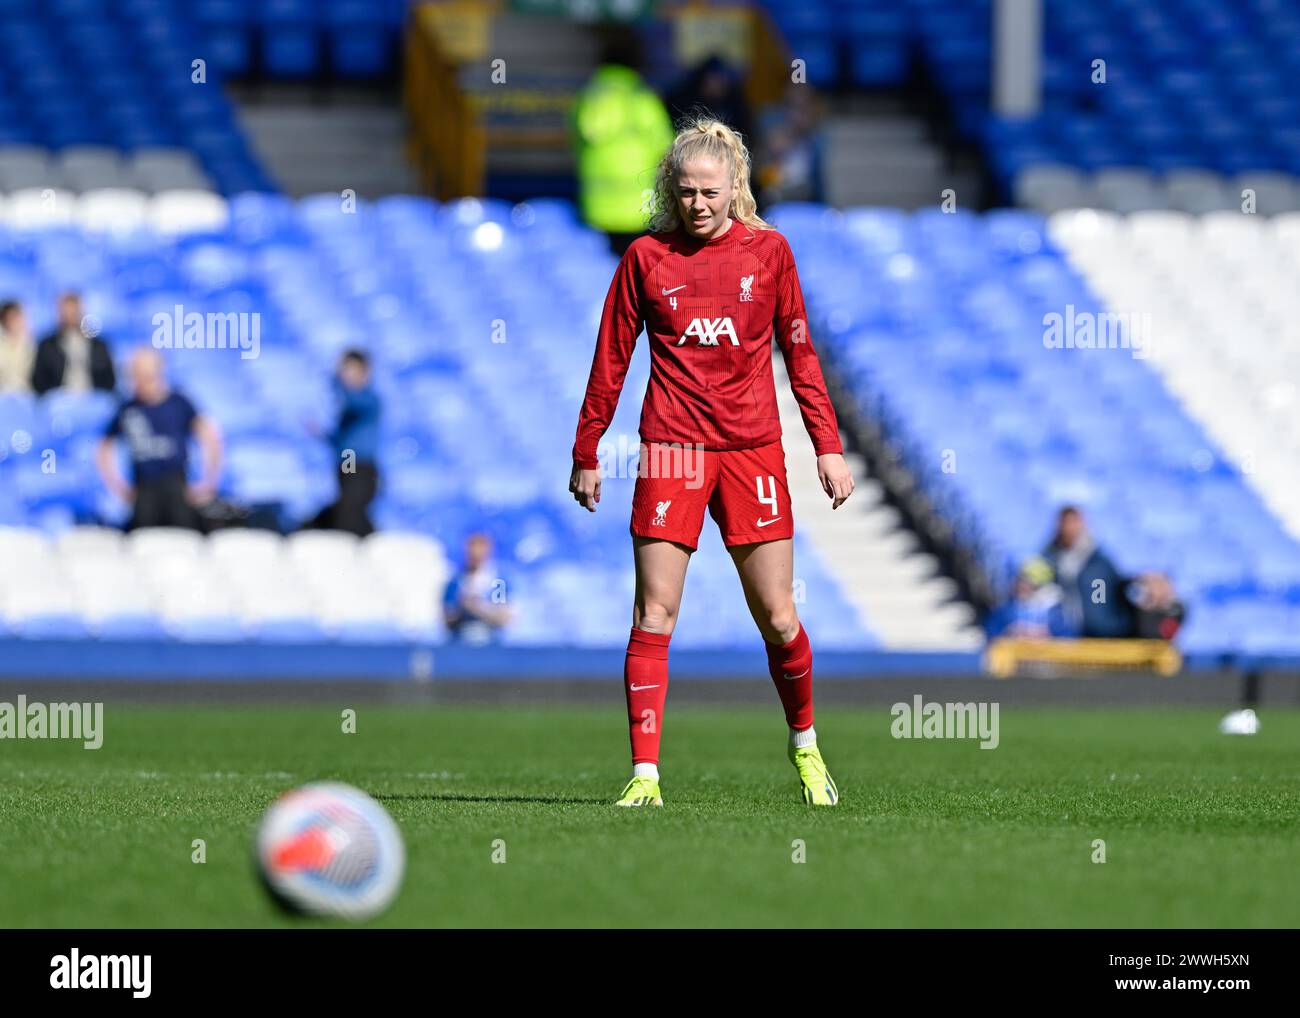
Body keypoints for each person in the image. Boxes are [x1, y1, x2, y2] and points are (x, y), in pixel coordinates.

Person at [569, 117, 854, 808]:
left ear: (735, 189)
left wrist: (828, 446)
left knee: (780, 617)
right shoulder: (645, 259)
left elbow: (800, 352)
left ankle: (806, 746)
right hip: (671, 450)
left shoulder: (770, 254)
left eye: (710, 192)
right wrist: (588, 450)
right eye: (686, 191)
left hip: (752, 450)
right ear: (671, 188)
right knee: (655, 611)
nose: (698, 204)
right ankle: (645, 775)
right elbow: (612, 357)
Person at [95, 347, 223, 531]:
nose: (139, 381)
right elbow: (104, 448)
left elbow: (209, 435)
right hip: (143, 488)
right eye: (135, 375)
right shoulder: (128, 409)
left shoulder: (179, 403)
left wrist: (208, 481)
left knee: (184, 537)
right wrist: (117, 486)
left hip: (176, 486)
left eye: (145, 375)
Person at [307, 349, 380, 536]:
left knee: (349, 512)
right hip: (348, 462)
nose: (345, 375)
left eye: (351, 370)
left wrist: (338, 381)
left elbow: (353, 401)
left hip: (358, 464)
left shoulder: (369, 399)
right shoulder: (347, 410)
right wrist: (321, 434)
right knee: (345, 508)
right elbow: (341, 443)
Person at [1042, 506, 1134, 638]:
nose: (1069, 528)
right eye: (1065, 523)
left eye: (1073, 522)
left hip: (1100, 636)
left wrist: (1104, 624)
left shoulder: (1099, 563)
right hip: (1061, 635)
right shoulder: (1048, 560)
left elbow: (1105, 596)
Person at [31, 292, 117, 395]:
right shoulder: (47, 346)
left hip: (93, 398)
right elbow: (39, 381)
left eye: (73, 312)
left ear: (81, 311)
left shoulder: (99, 346)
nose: (70, 316)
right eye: (66, 312)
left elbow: (109, 380)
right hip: (59, 400)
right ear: (59, 313)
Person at [442, 533, 512, 644]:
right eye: (472, 548)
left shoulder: (497, 582)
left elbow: (503, 618)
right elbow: (446, 619)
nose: (476, 553)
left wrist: (478, 608)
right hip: (461, 641)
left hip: (490, 643)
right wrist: (461, 608)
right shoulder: (456, 582)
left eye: (481, 548)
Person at [985, 557, 1077, 639]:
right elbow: (991, 634)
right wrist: (1008, 633)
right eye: (1019, 580)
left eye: (1026, 582)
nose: (1020, 585)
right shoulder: (1005, 611)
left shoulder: (1056, 614)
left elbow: (1068, 639)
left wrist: (1047, 635)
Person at [0, 300, 35, 393]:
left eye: (17, 317)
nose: (14, 322)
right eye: (10, 318)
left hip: (25, 395)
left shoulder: (31, 345)